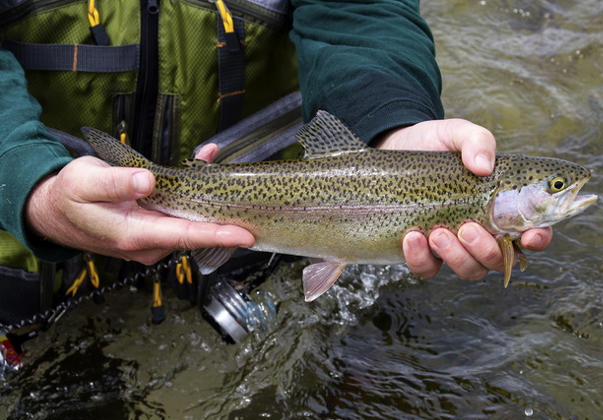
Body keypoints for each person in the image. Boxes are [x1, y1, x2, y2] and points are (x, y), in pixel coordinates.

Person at [0, 0, 552, 325]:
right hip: (23, 246)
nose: (558, 196)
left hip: (253, 257)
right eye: (553, 188)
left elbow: (359, 14)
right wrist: (29, 182)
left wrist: (391, 123)